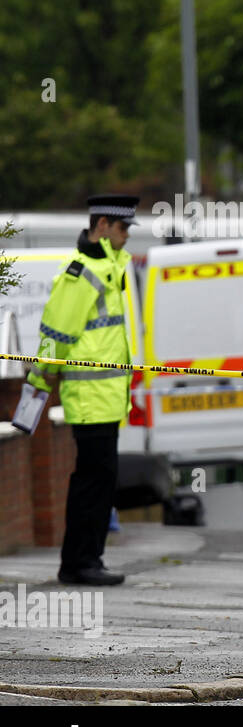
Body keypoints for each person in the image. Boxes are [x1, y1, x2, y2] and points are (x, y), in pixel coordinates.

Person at [27, 194, 140, 586]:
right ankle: (79, 563)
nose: (127, 236)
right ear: (104, 224)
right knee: (93, 481)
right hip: (89, 400)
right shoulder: (83, 271)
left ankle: (87, 559)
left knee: (100, 480)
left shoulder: (108, 268)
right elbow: (55, 332)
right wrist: (39, 381)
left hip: (106, 399)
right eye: (123, 228)